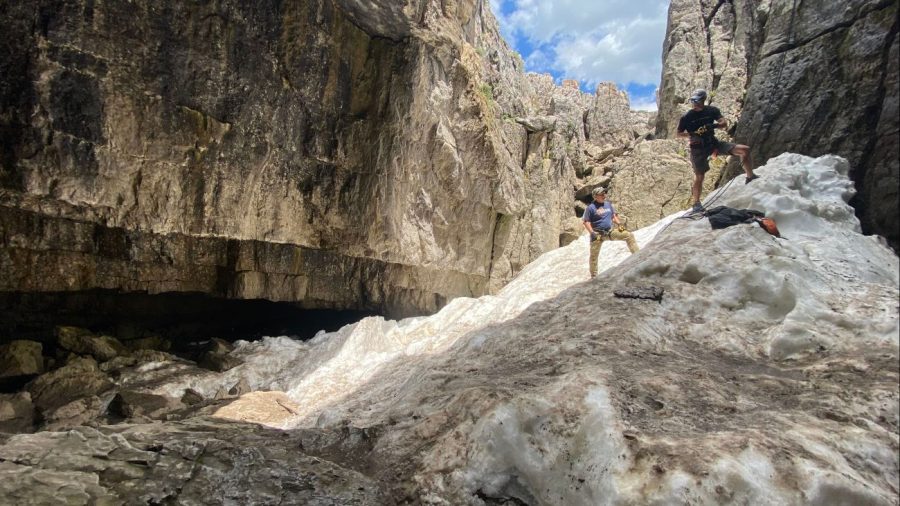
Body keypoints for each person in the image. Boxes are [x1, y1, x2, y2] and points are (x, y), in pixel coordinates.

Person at [677, 88, 759, 213]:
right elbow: (678, 134)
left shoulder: (712, 111)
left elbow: (724, 123)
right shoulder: (687, 117)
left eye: (696, 101)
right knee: (699, 176)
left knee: (744, 150)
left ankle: (750, 177)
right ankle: (696, 203)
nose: (694, 103)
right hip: (698, 149)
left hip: (713, 143)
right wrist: (693, 134)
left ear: (703, 100)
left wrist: (713, 125)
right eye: (692, 101)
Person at [582, 187, 639, 278]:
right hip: (598, 234)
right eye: (601, 194)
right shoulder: (590, 208)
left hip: (609, 232)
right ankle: (594, 275)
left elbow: (613, 216)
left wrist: (619, 224)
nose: (604, 195)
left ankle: (639, 258)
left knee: (629, 235)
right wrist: (592, 233)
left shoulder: (608, 204)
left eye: (604, 193)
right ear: (596, 196)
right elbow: (586, 222)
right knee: (594, 256)